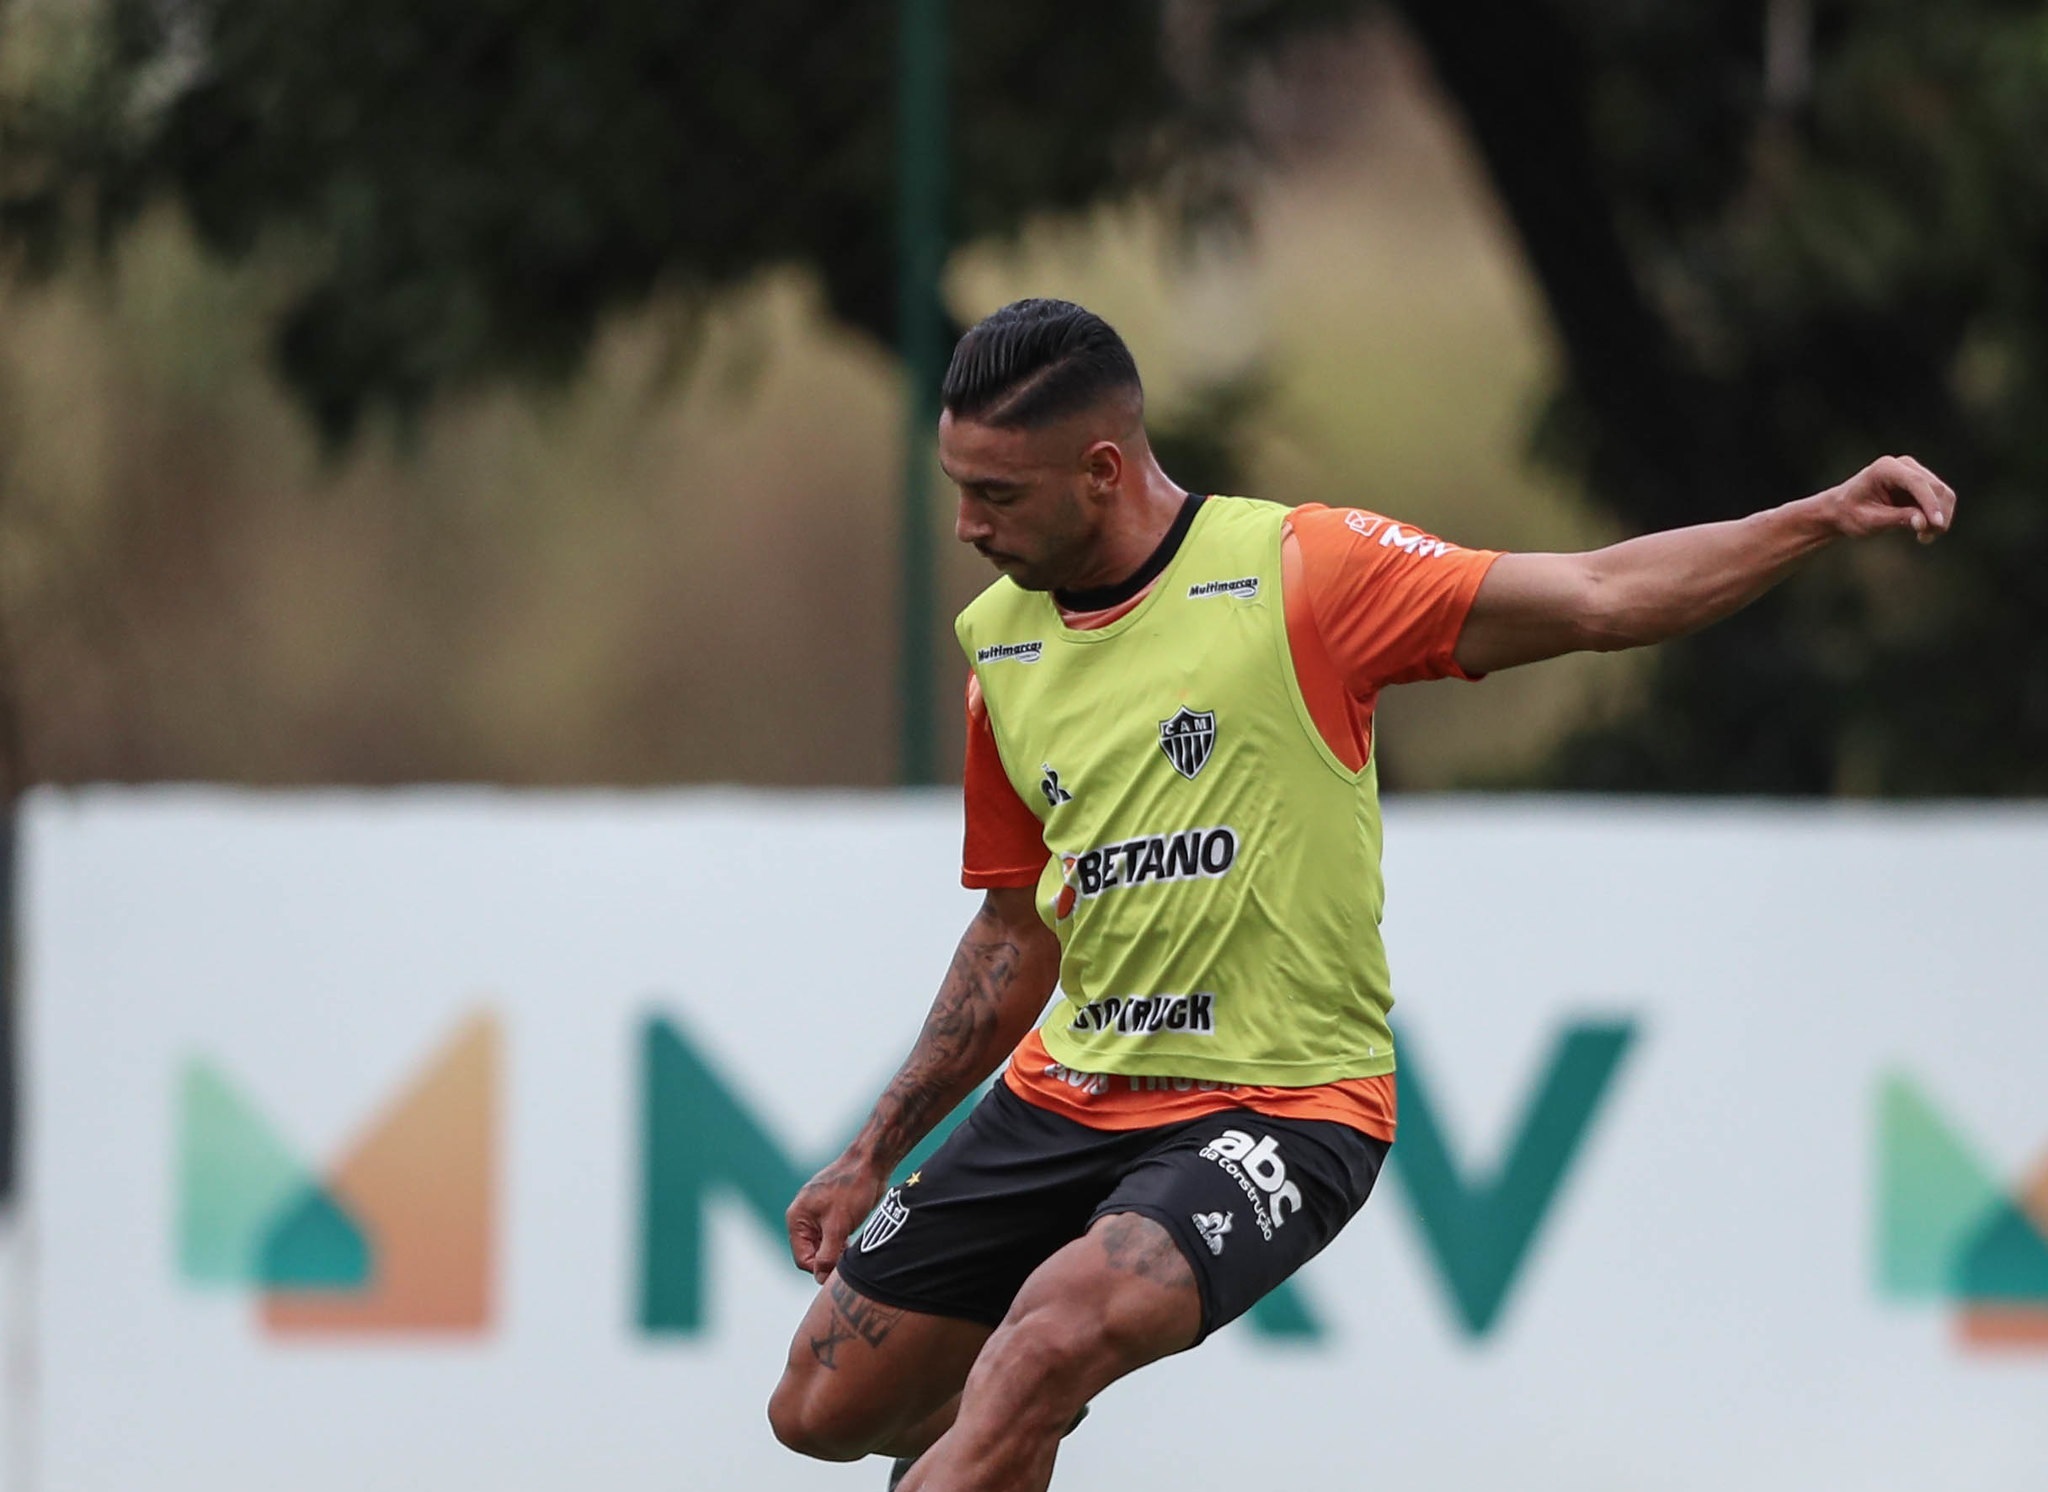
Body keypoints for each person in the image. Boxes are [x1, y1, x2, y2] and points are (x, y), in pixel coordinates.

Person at [765, 298, 1955, 1492]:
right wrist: (875, 1147)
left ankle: (1019, 1412)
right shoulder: (1002, 651)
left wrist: (1815, 516)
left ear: (1102, 469)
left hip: (1280, 1103)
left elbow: (1598, 593)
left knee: (1047, 1345)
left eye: (996, 495)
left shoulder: (1300, 573)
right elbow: (1015, 929)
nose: (965, 525)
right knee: (818, 1408)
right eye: (956, 487)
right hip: (1066, 1096)